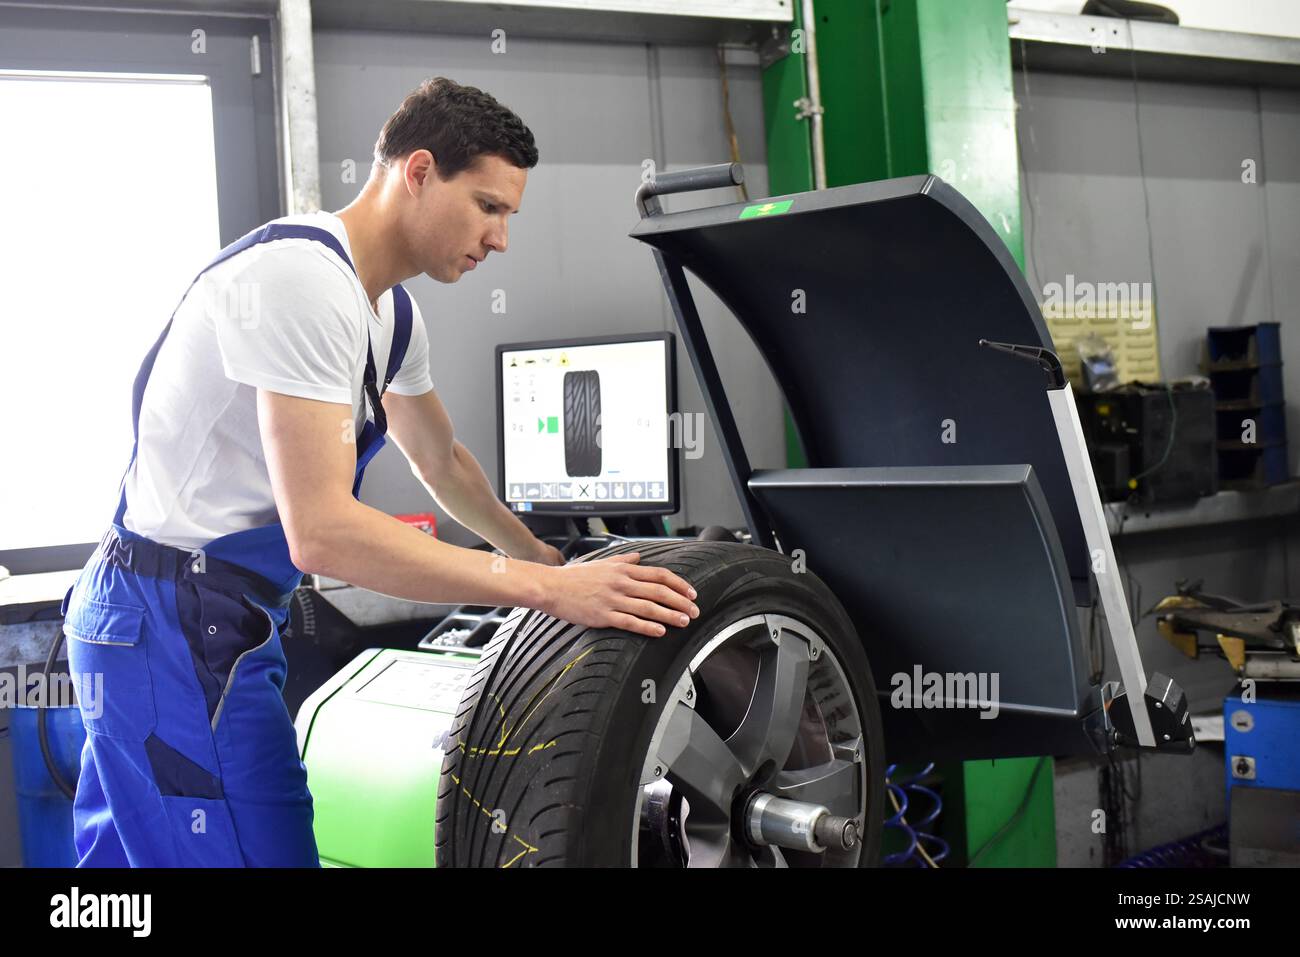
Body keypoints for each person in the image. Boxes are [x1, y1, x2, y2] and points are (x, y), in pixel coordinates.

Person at [60, 77, 698, 867]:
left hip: (201, 618)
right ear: (420, 171)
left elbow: (440, 460)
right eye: (489, 207)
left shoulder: (389, 313)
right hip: (167, 621)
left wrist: (542, 556)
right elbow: (322, 534)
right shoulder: (299, 282)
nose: (501, 239)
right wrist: (544, 592)